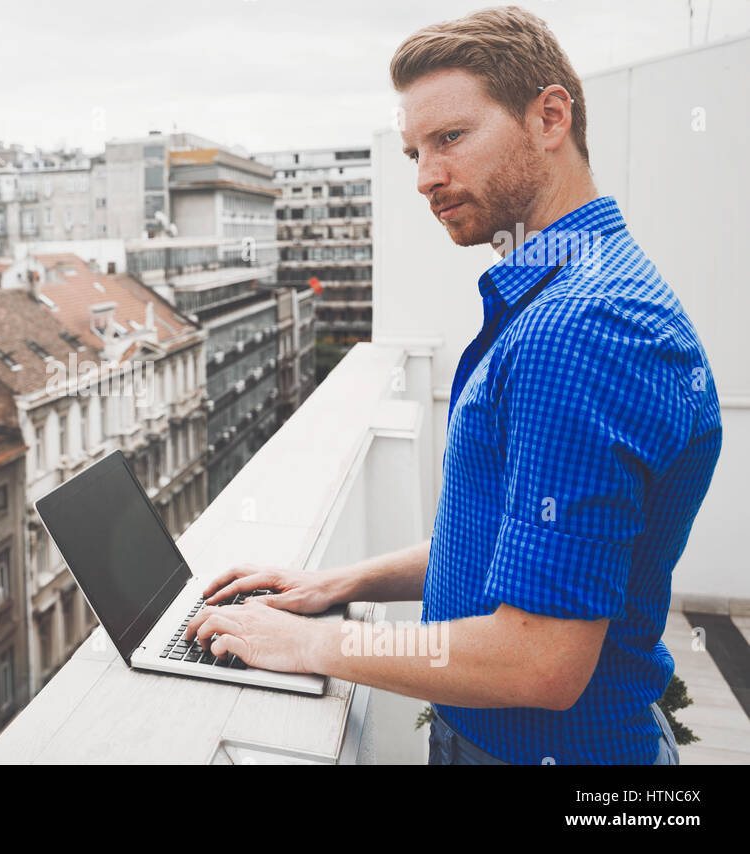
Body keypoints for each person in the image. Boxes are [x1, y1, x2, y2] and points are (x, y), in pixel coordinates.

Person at [184, 5, 721, 765]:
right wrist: (332, 582)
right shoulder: (571, 294)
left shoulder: (580, 329)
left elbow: (539, 659)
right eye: (412, 152)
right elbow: (510, 542)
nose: (426, 177)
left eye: (451, 138)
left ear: (549, 117)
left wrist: (308, 643)